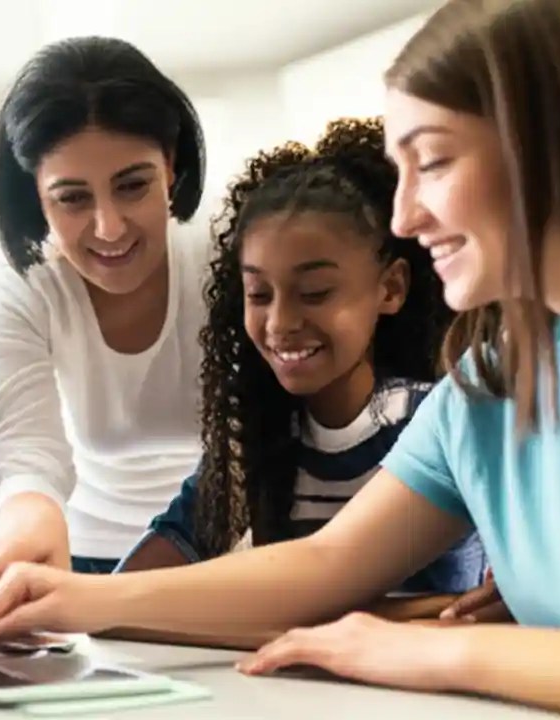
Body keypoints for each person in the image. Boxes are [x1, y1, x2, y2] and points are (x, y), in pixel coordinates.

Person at [0, 1, 560, 717]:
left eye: (434, 162)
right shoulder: (490, 388)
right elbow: (326, 565)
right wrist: (72, 600)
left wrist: (436, 653)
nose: (406, 216)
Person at [117, 116, 485, 600]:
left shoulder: (438, 421)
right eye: (258, 293)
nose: (280, 322)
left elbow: (461, 608)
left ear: (390, 288)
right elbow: (136, 581)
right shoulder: (255, 442)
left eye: (315, 292)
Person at [0, 35, 211, 623]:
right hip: (82, 559)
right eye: (72, 199)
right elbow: (27, 447)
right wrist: (29, 527)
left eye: (133, 185)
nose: (109, 227)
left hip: (228, 553)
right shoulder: (17, 284)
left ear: (172, 164)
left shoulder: (227, 252)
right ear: (36, 198)